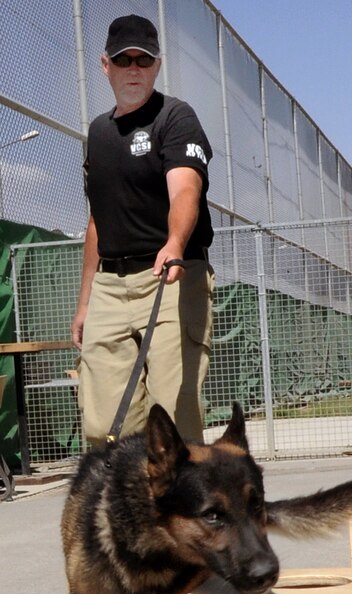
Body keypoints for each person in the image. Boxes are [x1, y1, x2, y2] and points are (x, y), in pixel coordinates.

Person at [71, 14, 214, 445]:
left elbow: (185, 189)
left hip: (170, 275)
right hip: (111, 285)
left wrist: (174, 243)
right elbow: (98, 218)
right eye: (124, 59)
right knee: (103, 426)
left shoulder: (175, 117)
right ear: (105, 66)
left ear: (157, 65)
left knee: (172, 420)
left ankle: (183, 509)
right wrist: (85, 302)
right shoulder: (97, 133)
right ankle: (134, 507)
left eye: (143, 60)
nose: (134, 68)